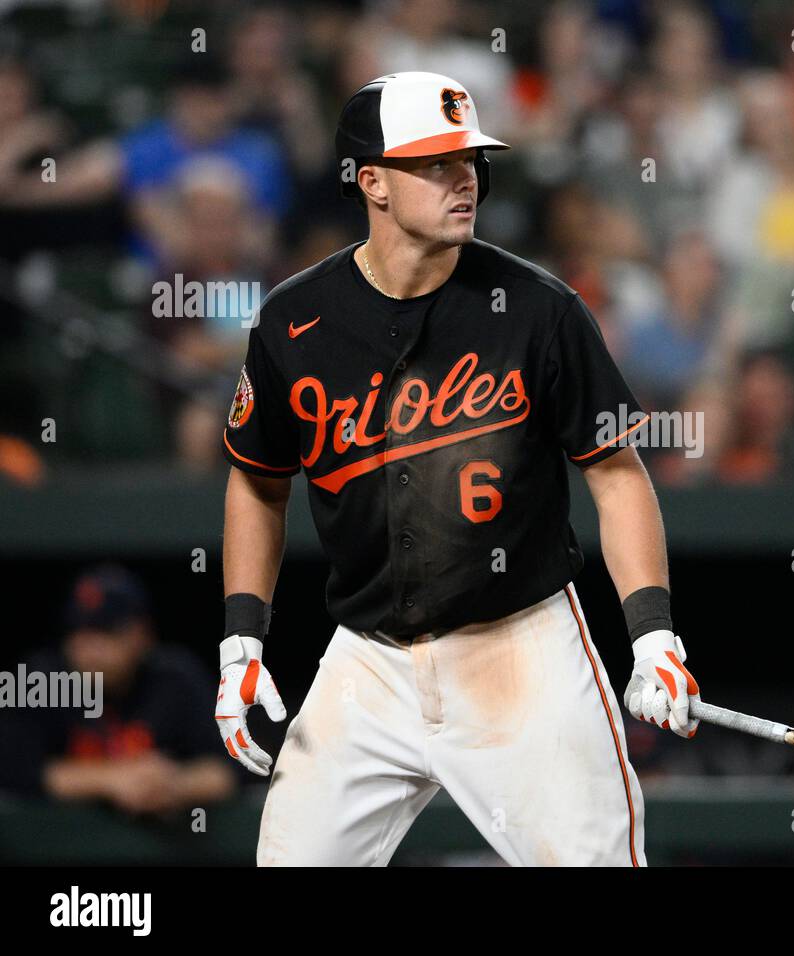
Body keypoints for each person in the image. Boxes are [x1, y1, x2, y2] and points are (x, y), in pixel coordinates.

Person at [217, 72, 700, 866]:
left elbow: (618, 474)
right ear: (370, 181)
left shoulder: (540, 309)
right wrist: (243, 642)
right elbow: (258, 478)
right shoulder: (292, 322)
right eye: (434, 163)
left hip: (521, 649)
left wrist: (654, 637)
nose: (464, 178)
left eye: (470, 159)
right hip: (367, 660)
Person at [0, 566, 235, 815]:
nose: (89, 648)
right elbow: (15, 769)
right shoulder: (41, 679)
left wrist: (174, 785)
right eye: (79, 632)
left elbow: (227, 771)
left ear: (143, 634)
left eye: (106, 632)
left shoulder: (175, 679)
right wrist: (109, 779)